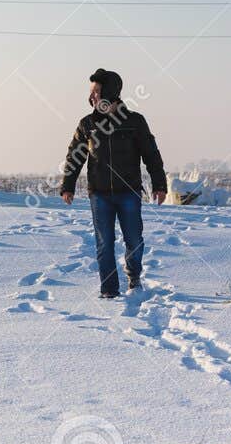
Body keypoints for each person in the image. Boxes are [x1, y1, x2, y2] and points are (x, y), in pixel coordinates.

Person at [58, 68, 167, 298]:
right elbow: (74, 156)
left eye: (97, 92)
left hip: (129, 192)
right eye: (91, 92)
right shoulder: (87, 124)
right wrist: (68, 185)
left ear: (109, 93)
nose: (93, 97)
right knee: (104, 244)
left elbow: (151, 154)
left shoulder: (135, 121)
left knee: (134, 240)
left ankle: (134, 275)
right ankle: (109, 291)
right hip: (99, 194)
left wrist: (159, 184)